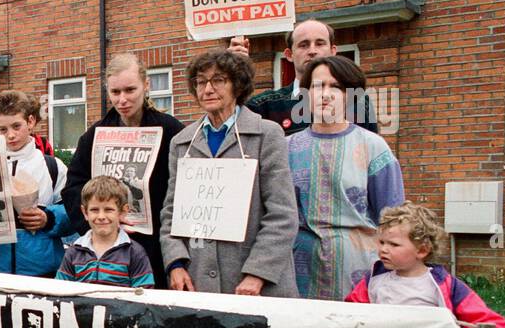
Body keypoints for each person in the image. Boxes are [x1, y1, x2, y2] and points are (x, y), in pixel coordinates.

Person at [160, 48, 299, 297]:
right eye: (201, 82)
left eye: (218, 80)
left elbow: (282, 215)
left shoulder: (267, 135)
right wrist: (175, 263)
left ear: (237, 85)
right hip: (197, 280)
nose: (208, 89)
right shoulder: (182, 142)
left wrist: (257, 273)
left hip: (256, 287)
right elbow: (171, 212)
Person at [61, 53, 185, 287]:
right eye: (115, 92)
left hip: (156, 249)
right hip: (108, 248)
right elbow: (73, 188)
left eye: (130, 90)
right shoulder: (94, 135)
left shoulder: (171, 130)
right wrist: (98, 223)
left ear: (146, 86)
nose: (122, 100)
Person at [289, 55, 404, 299]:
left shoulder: (373, 147)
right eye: (318, 86)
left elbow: (393, 218)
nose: (325, 94)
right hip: (299, 269)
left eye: (336, 87)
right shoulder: (285, 147)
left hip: (358, 271)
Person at [345, 202, 505, 328]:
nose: (383, 249)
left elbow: (481, 317)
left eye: (394, 244)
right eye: (382, 242)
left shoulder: (442, 284)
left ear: (422, 250)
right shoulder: (374, 280)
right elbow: (350, 312)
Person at [0, 89, 69, 277]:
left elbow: (74, 212)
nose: (11, 135)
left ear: (31, 121)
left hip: (40, 273)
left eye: (17, 126)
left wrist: (49, 218)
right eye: (3, 129)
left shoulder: (52, 166)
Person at [229, 20, 378, 135]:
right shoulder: (265, 105)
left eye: (320, 44)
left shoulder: (356, 100)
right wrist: (230, 72)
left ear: (333, 51)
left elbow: (370, 156)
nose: (312, 51)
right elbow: (227, 126)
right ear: (289, 54)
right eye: (303, 45)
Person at [56, 176, 155, 287]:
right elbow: (60, 290)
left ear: (123, 211)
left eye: (108, 210)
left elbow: (144, 294)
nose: (101, 216)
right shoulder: (74, 252)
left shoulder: (135, 253)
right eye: (94, 210)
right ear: (85, 212)